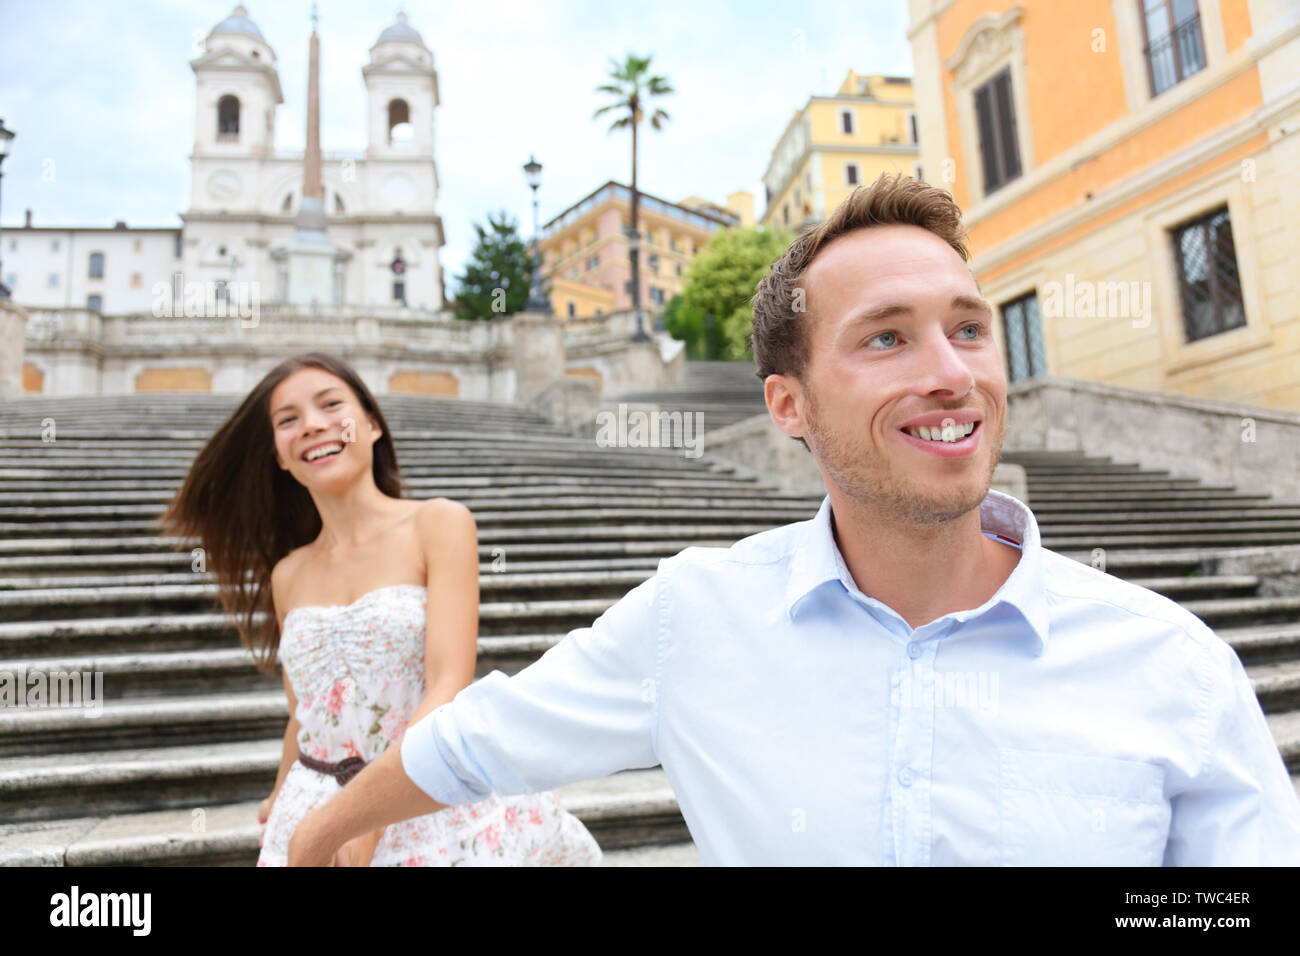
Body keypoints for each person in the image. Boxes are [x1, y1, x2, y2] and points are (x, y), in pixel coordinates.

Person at [285, 173, 1300, 866]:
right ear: (787, 405)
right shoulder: (695, 616)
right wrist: (319, 833)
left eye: (966, 328)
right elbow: (475, 741)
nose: (951, 374)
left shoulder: (1172, 662)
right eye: (887, 338)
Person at [158, 351, 602, 866]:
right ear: (279, 455)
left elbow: (447, 683)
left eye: (330, 405)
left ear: (371, 425)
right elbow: (304, 712)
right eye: (288, 419)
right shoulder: (289, 574)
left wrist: (363, 818)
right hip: (312, 802)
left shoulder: (438, 524)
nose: (313, 425)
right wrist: (280, 793)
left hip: (422, 795)